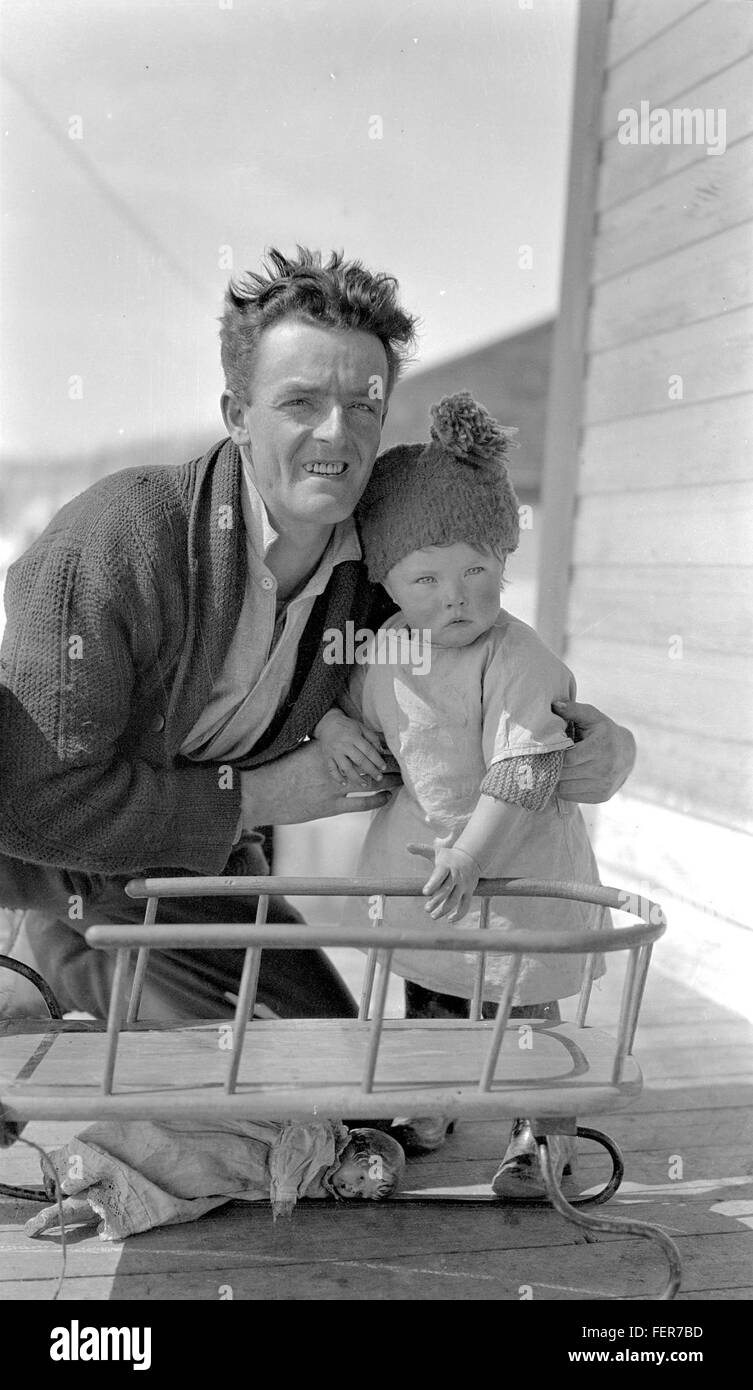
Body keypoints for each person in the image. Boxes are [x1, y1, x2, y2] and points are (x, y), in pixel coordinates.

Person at [0, 246, 635, 1027]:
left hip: (194, 882)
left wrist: (604, 751)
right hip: (51, 886)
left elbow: (491, 690)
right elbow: (30, 798)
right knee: (268, 1119)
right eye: (300, 402)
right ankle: (33, 980)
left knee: (342, 1100)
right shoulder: (117, 540)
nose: (335, 434)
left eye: (361, 406)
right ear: (237, 415)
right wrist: (259, 795)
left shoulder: (387, 572)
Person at [313, 391, 609, 1197]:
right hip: (425, 874)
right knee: (433, 993)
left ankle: (539, 1136)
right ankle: (432, 1101)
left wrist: (475, 851)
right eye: (426, 577)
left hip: (514, 870)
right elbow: (347, 708)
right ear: (387, 577)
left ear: (503, 561)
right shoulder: (384, 647)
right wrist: (337, 733)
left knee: (523, 1019)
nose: (456, 595)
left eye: (477, 569)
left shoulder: (519, 657)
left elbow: (527, 768)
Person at [23, 1121, 405, 1241]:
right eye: (360, 1179)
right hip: (226, 1149)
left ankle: (76, 1209)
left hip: (222, 1179)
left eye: (362, 1195)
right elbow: (290, 1151)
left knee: (162, 1195)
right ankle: (67, 1175)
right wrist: (286, 1193)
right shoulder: (320, 1137)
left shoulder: (325, 1183)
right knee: (154, 1149)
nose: (353, 1191)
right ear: (355, 1150)